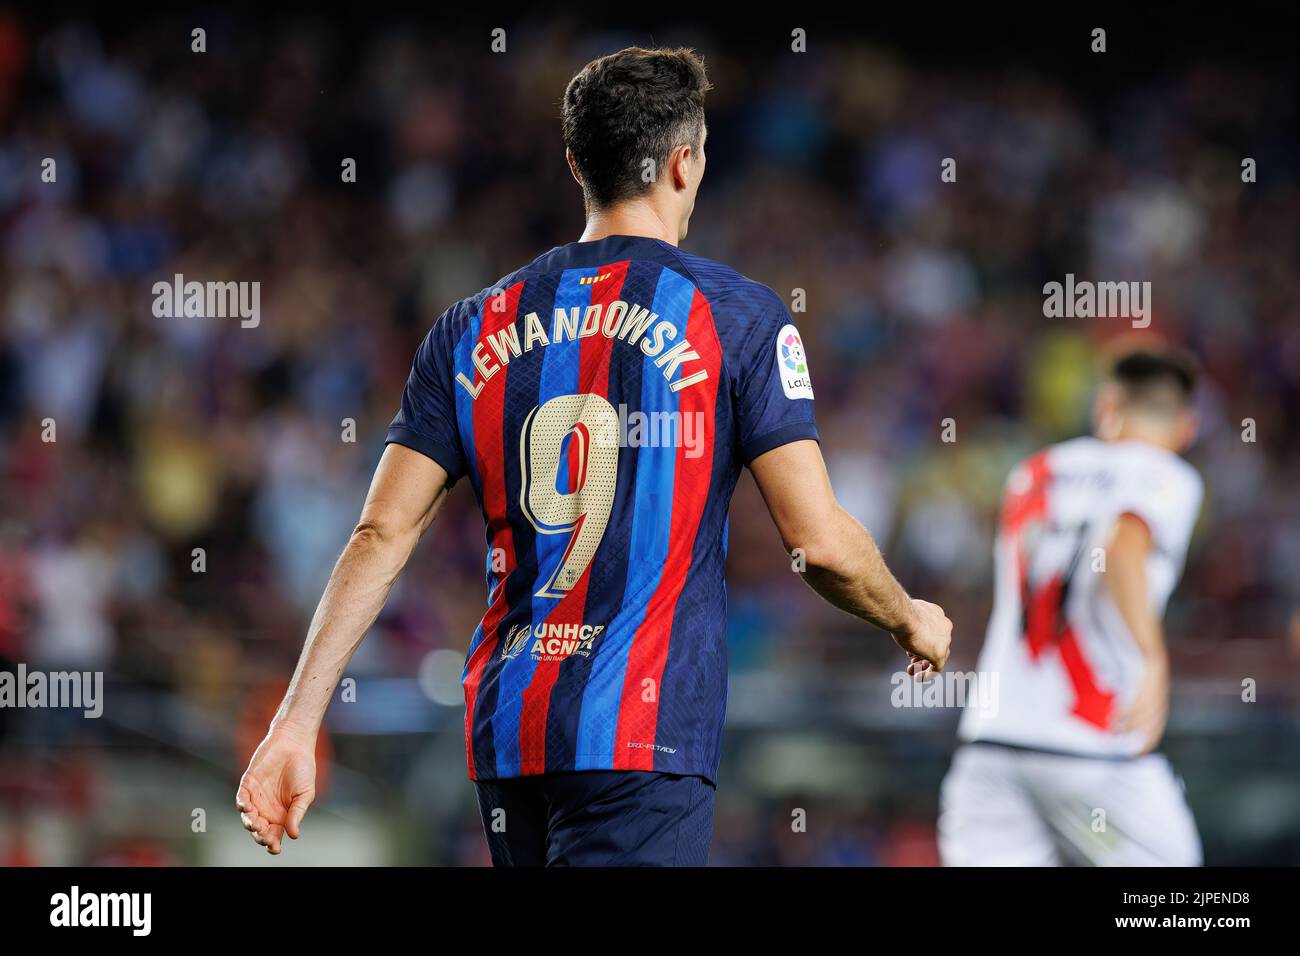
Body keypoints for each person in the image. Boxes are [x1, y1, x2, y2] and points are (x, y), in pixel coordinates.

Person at [238, 46, 951, 866]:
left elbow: (379, 536)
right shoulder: (738, 318)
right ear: (683, 162)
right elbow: (817, 543)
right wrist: (908, 616)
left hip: (511, 735)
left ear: (577, 163)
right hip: (641, 738)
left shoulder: (471, 325)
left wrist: (294, 721)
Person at [939, 346, 1204, 866]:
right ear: (1187, 426)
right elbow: (1123, 547)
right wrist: (1153, 659)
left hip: (990, 744)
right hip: (1092, 741)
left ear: (1107, 405)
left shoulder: (1035, 470)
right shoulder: (1168, 475)